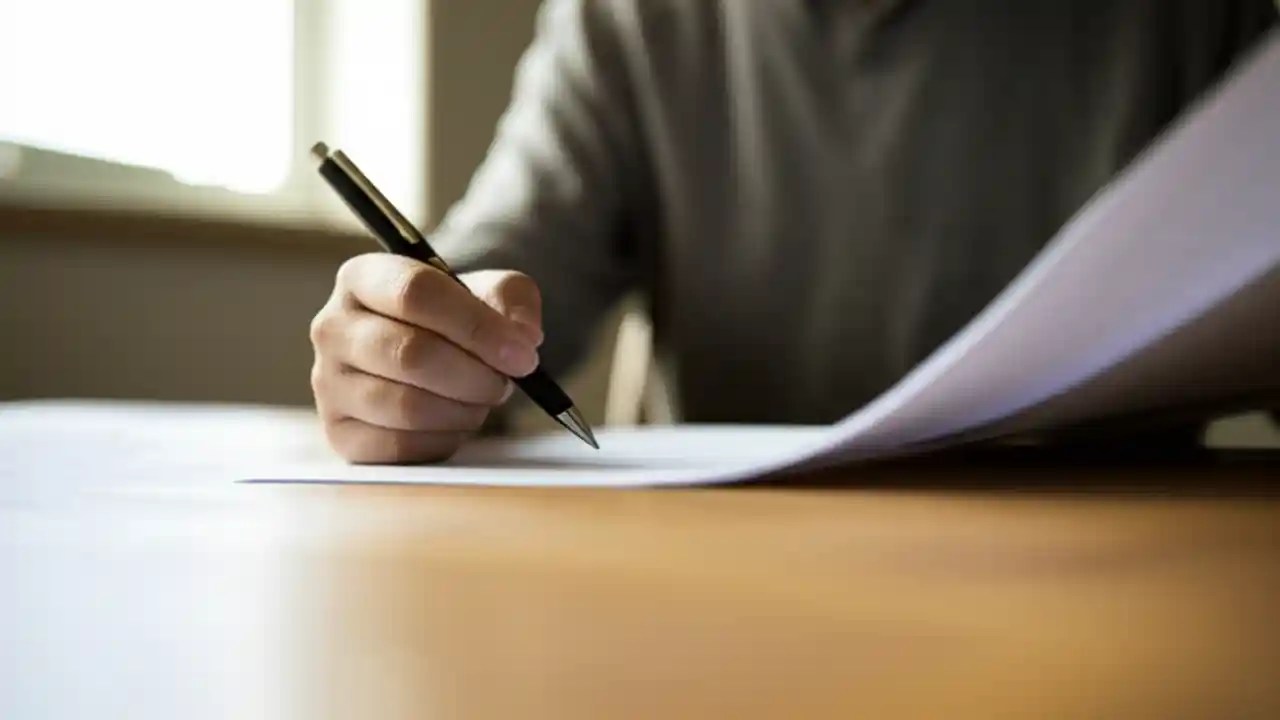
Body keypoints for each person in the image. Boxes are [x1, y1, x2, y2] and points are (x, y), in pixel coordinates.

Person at [308, 0, 1277, 463]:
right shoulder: (629, 20)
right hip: (722, 603)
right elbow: (497, 265)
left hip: (1126, 607)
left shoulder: (1197, 23)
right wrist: (416, 345)